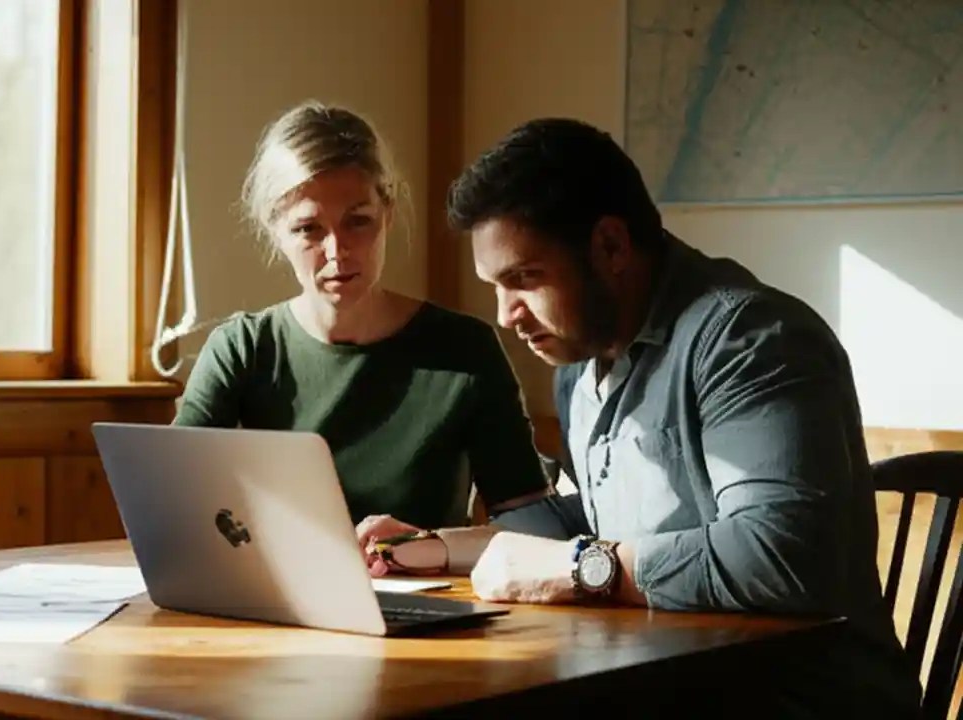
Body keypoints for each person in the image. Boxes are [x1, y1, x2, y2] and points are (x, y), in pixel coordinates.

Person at [357, 118, 922, 717]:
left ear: (611, 246)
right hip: (666, 684)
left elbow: (782, 554)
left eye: (525, 279)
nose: (506, 314)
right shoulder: (582, 358)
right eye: (495, 286)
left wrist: (581, 568)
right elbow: (607, 514)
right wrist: (441, 549)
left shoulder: (751, 341)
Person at [173, 101, 549, 530]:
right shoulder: (243, 349)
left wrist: (434, 547)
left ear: (387, 214)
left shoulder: (464, 350)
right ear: (275, 231)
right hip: (277, 595)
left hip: (426, 594)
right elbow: (173, 500)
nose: (337, 252)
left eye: (358, 222)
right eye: (308, 229)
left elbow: (532, 526)